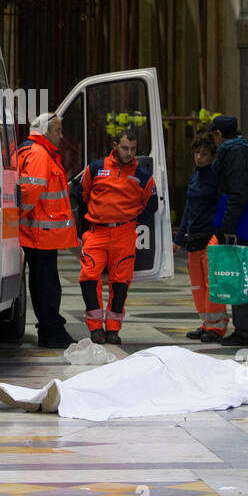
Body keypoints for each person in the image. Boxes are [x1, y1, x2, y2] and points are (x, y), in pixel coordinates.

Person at [73, 127, 156, 345]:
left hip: (124, 233)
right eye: (125, 148)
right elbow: (82, 194)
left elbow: (152, 204)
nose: (129, 153)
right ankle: (94, 327)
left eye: (133, 149)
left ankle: (113, 328)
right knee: (89, 277)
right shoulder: (96, 168)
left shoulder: (142, 175)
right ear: (115, 146)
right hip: (96, 231)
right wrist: (87, 222)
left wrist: (132, 218)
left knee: (120, 283)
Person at [204, 114, 248, 347]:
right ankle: (243, 327)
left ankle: (246, 331)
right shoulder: (240, 151)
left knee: (240, 277)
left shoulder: (236, 155)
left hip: (241, 228)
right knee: (239, 276)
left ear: (219, 135)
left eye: (214, 135)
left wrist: (228, 229)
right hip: (241, 225)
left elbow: (237, 195)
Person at [14, 112, 77, 348]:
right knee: (47, 286)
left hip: (39, 233)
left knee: (44, 284)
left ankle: (51, 329)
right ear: (45, 131)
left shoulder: (32, 150)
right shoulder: (40, 154)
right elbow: (30, 192)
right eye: (58, 130)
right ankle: (52, 332)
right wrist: (18, 218)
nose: (61, 135)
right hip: (40, 234)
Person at [175, 131, 230, 341]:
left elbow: (222, 205)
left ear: (212, 156)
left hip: (210, 237)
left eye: (205, 154)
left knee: (212, 284)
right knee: (197, 285)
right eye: (197, 153)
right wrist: (178, 239)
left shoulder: (216, 178)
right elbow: (188, 209)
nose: (199, 157)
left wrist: (217, 232)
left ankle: (217, 327)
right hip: (193, 238)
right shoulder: (194, 177)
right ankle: (207, 322)